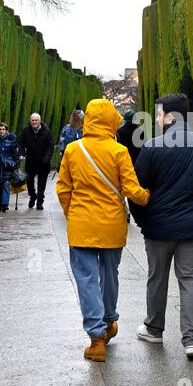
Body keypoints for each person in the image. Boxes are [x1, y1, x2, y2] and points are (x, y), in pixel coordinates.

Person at [56, 98, 150, 362]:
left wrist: (72, 214)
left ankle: (96, 338)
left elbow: (63, 189)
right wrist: (147, 197)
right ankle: (110, 321)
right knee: (109, 274)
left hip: (82, 226)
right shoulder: (119, 151)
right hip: (111, 224)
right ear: (111, 121)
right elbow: (131, 190)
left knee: (86, 280)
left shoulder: (74, 150)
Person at [129, 93, 193, 360]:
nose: (157, 120)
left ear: (169, 116)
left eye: (158, 115)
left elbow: (136, 191)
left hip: (158, 227)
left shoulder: (153, 147)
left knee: (157, 278)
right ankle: (191, 340)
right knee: (190, 279)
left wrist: (142, 221)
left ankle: (154, 329)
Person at [17, 112, 54, 210]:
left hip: (43, 163)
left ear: (40, 121)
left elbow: (50, 147)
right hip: (31, 161)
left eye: (36, 120)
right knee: (29, 182)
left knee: (41, 184)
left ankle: (40, 202)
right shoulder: (26, 131)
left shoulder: (47, 131)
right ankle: (33, 196)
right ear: (30, 121)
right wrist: (21, 154)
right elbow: (21, 144)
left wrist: (46, 158)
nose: (34, 122)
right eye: (32, 120)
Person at [0, 122, 21, 213]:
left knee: (5, 184)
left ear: (6, 130)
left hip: (8, 167)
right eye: (0, 129)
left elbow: (15, 154)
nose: (1, 131)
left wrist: (16, 164)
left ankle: (5, 205)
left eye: (3, 129)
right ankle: (0, 205)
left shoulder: (12, 140)